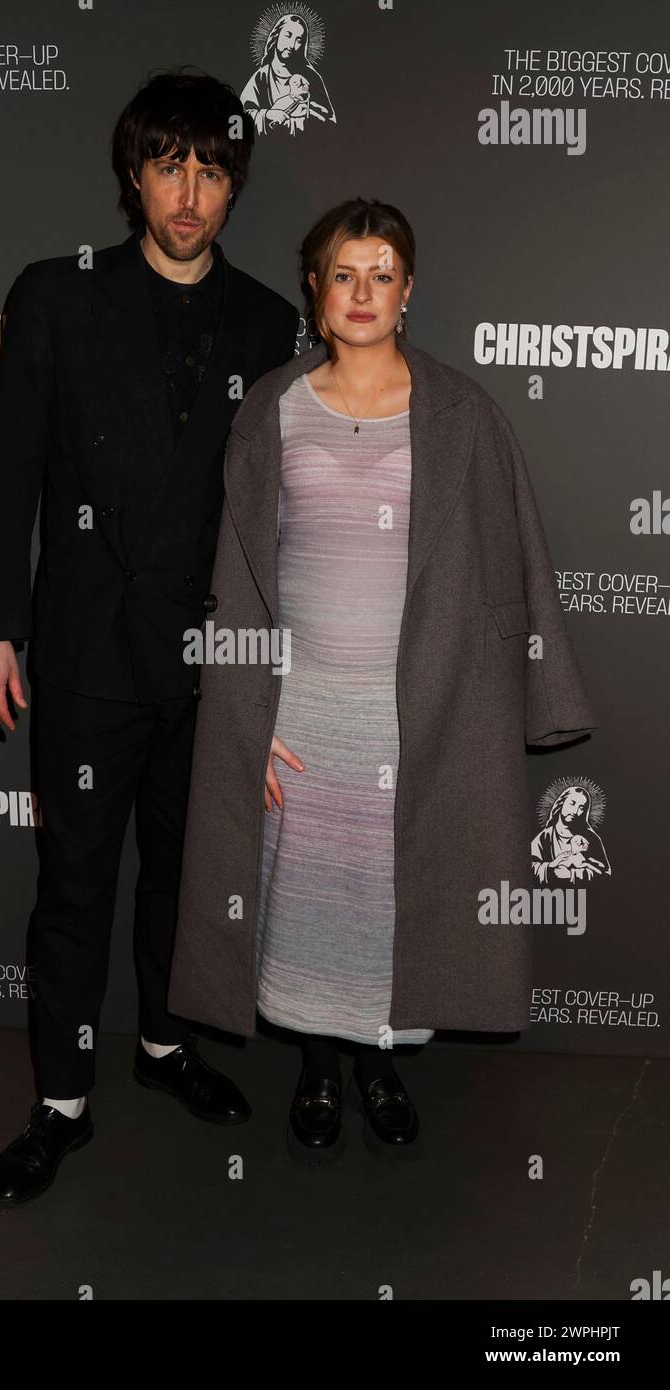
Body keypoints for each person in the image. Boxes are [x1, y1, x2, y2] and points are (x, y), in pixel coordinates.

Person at [166, 198, 598, 1166]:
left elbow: (511, 569)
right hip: (303, 711)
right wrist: (245, 716)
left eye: (381, 274)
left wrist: (498, 707)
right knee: (308, 904)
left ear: (407, 292)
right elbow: (232, 579)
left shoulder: (463, 415)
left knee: (396, 902)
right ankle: (318, 1066)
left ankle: (379, 1067)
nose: (361, 293)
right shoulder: (269, 409)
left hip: (419, 717)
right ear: (314, 291)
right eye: (341, 274)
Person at [0, 70, 299, 1206]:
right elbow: (7, 474)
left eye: (210, 168)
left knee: (183, 871)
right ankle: (60, 1099)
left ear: (232, 181)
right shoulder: (55, 297)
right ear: (132, 174)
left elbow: (278, 512)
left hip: (207, 660)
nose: (188, 191)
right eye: (168, 164)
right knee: (74, 881)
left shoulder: (266, 321)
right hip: (88, 649)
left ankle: (164, 1043)